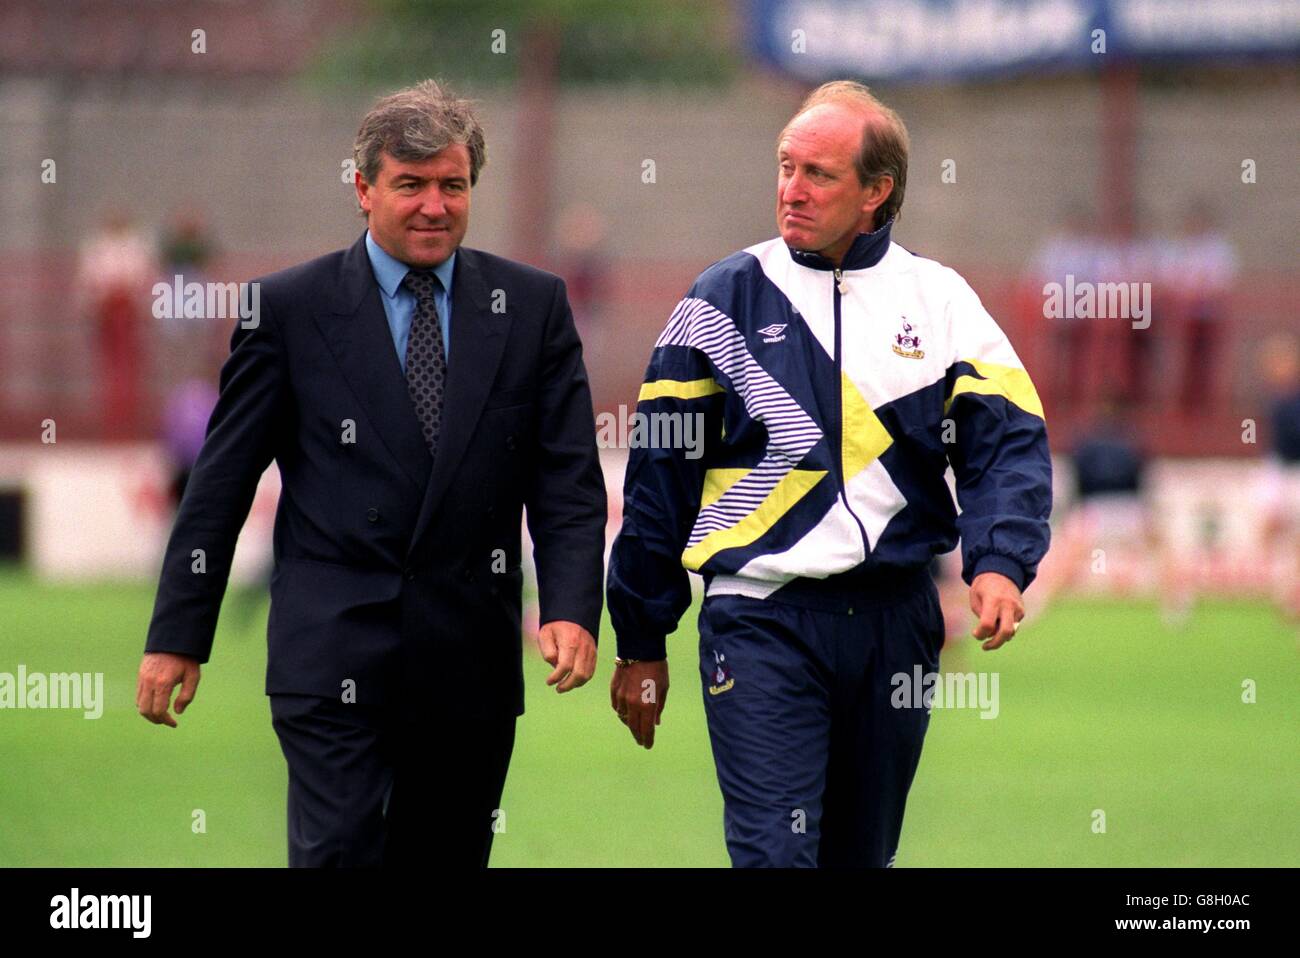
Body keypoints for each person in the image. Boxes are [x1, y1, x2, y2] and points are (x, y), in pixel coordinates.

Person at [136, 79, 607, 868]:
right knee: (339, 853)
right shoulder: (286, 310)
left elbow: (566, 481)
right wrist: (179, 635)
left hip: (469, 658)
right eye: (410, 185)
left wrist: (568, 608)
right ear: (363, 189)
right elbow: (220, 485)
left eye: (452, 185)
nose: (434, 205)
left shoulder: (532, 308)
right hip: (332, 657)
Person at [606, 81, 1052, 868]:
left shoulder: (940, 300)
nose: (792, 190)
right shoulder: (720, 299)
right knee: (776, 857)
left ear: (877, 191)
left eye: (818, 173)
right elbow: (658, 481)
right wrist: (640, 639)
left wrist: (1000, 561)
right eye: (785, 166)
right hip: (760, 621)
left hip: (898, 625)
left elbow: (1007, 442)